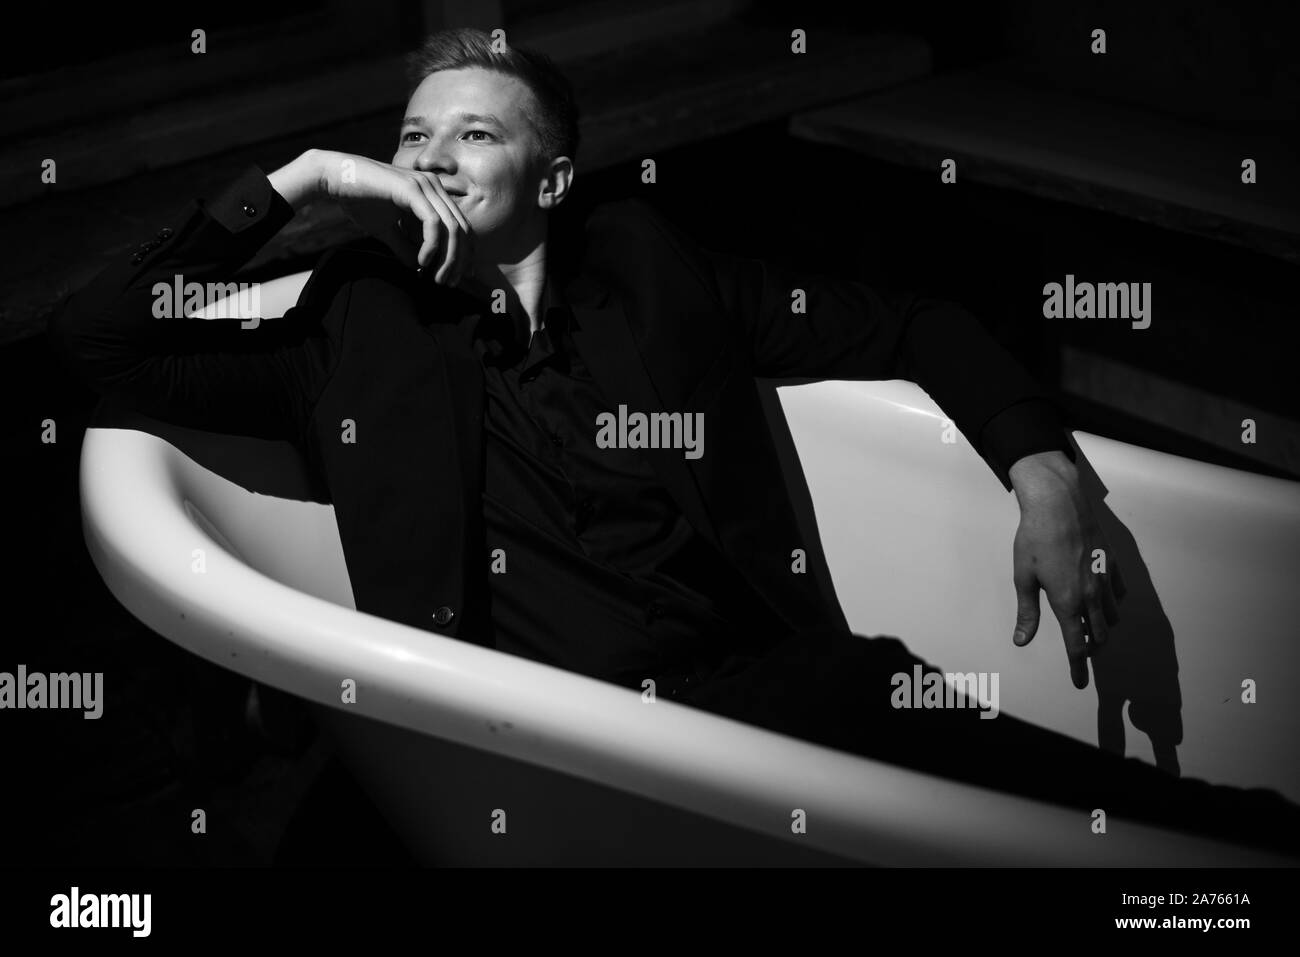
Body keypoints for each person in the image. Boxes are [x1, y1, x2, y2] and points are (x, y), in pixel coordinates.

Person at [48, 27, 1299, 859]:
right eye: (409, 138)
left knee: (1157, 841)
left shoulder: (653, 276)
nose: (428, 156)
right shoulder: (350, 326)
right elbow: (93, 340)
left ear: (553, 179)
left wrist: (1043, 472)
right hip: (538, 745)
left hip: (772, 692)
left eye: (473, 133)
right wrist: (301, 182)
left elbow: (914, 322)